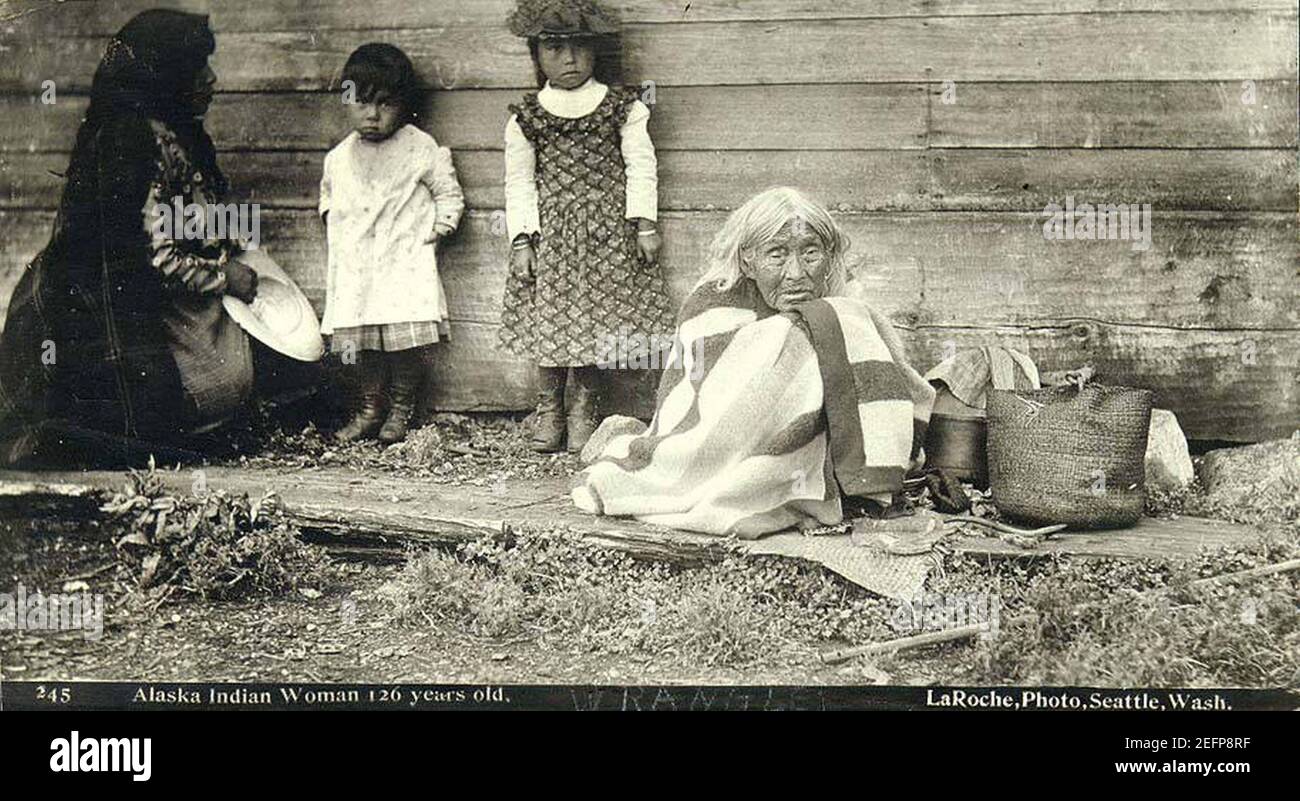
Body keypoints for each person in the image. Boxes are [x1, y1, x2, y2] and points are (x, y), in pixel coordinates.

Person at [573, 188, 937, 538]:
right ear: (748, 259)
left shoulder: (840, 298)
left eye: (810, 254)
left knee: (842, 317)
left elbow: (879, 372)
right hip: (717, 446)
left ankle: (862, 484)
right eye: (777, 255)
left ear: (828, 254)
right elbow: (710, 404)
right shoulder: (712, 301)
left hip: (812, 445)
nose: (796, 273)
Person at [0, 10, 264, 467]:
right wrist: (224, 276)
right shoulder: (129, 142)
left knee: (237, 381)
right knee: (178, 400)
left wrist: (226, 242)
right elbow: (150, 256)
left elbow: (194, 219)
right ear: (165, 76)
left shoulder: (181, 134)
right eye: (197, 68)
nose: (212, 78)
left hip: (173, 289)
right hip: (112, 300)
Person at [499, 0, 675, 454]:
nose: (569, 59)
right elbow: (519, 183)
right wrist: (522, 239)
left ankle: (583, 410)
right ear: (537, 54)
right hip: (554, 240)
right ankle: (548, 410)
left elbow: (641, 166)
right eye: (555, 48)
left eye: (579, 47)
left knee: (595, 326)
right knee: (551, 324)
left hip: (607, 238)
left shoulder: (623, 108)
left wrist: (644, 224)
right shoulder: (527, 117)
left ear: (595, 50)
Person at [320, 44, 465, 444]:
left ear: (403, 105)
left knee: (404, 344)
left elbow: (448, 193)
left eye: (385, 104)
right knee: (365, 344)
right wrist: (335, 222)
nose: (372, 114)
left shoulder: (420, 147)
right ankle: (369, 409)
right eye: (363, 103)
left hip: (403, 261)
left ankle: (401, 410)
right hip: (359, 267)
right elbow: (329, 198)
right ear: (347, 101)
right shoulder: (339, 157)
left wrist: (440, 228)